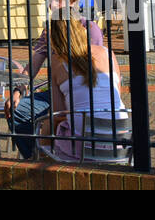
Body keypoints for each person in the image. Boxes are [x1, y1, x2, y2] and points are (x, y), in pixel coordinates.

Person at [5, 0, 104, 158]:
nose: (52, 4)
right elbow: (33, 65)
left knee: (54, 118)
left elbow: (97, 72)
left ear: (74, 2)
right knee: (16, 108)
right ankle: (34, 157)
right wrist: (18, 89)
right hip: (56, 92)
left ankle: (50, 155)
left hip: (81, 95)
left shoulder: (90, 30)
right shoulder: (49, 31)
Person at [44, 15, 127, 160]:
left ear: (54, 38)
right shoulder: (108, 53)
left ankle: (39, 162)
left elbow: (59, 113)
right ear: (82, 29)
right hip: (120, 142)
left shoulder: (58, 62)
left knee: (50, 128)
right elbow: (117, 95)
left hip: (83, 148)